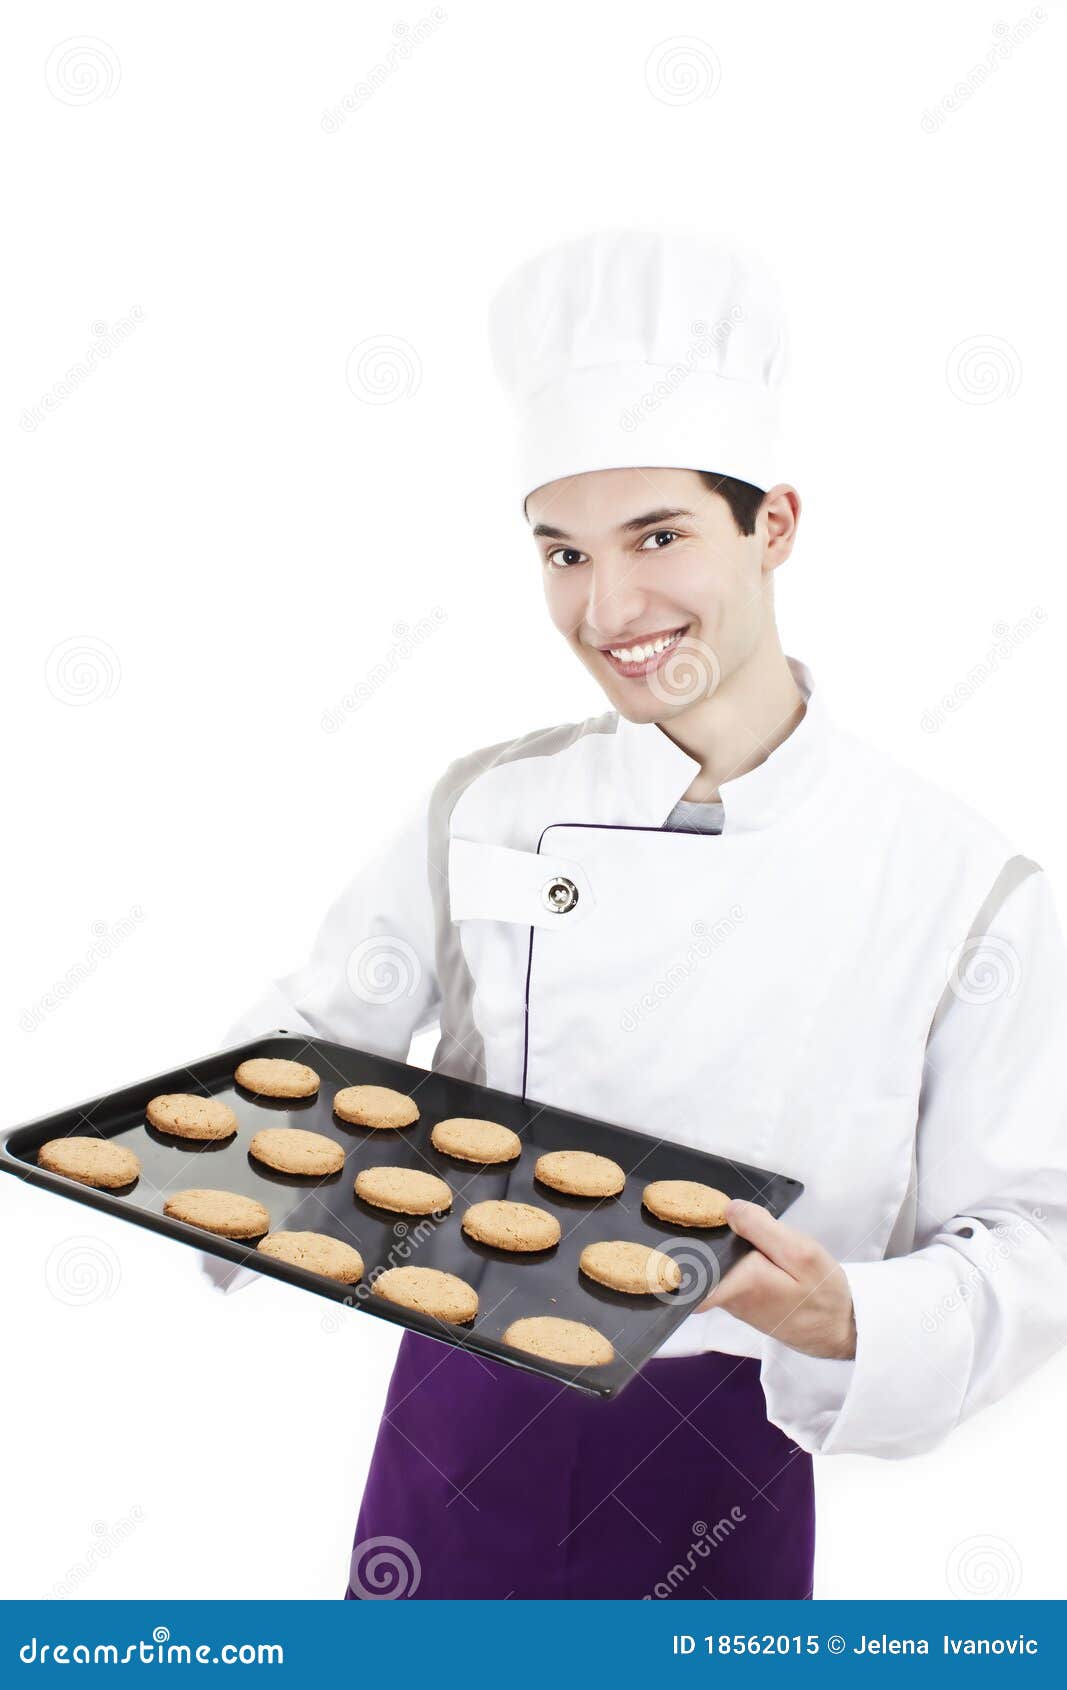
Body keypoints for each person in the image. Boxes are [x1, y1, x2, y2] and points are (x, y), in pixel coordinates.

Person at [219, 232, 1067, 1599]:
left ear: (775, 525)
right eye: (564, 552)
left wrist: (850, 1311)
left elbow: (1039, 1237)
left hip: (719, 1455)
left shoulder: (959, 883)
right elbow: (306, 1046)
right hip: (458, 1419)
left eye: (657, 537)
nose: (607, 608)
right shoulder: (479, 808)